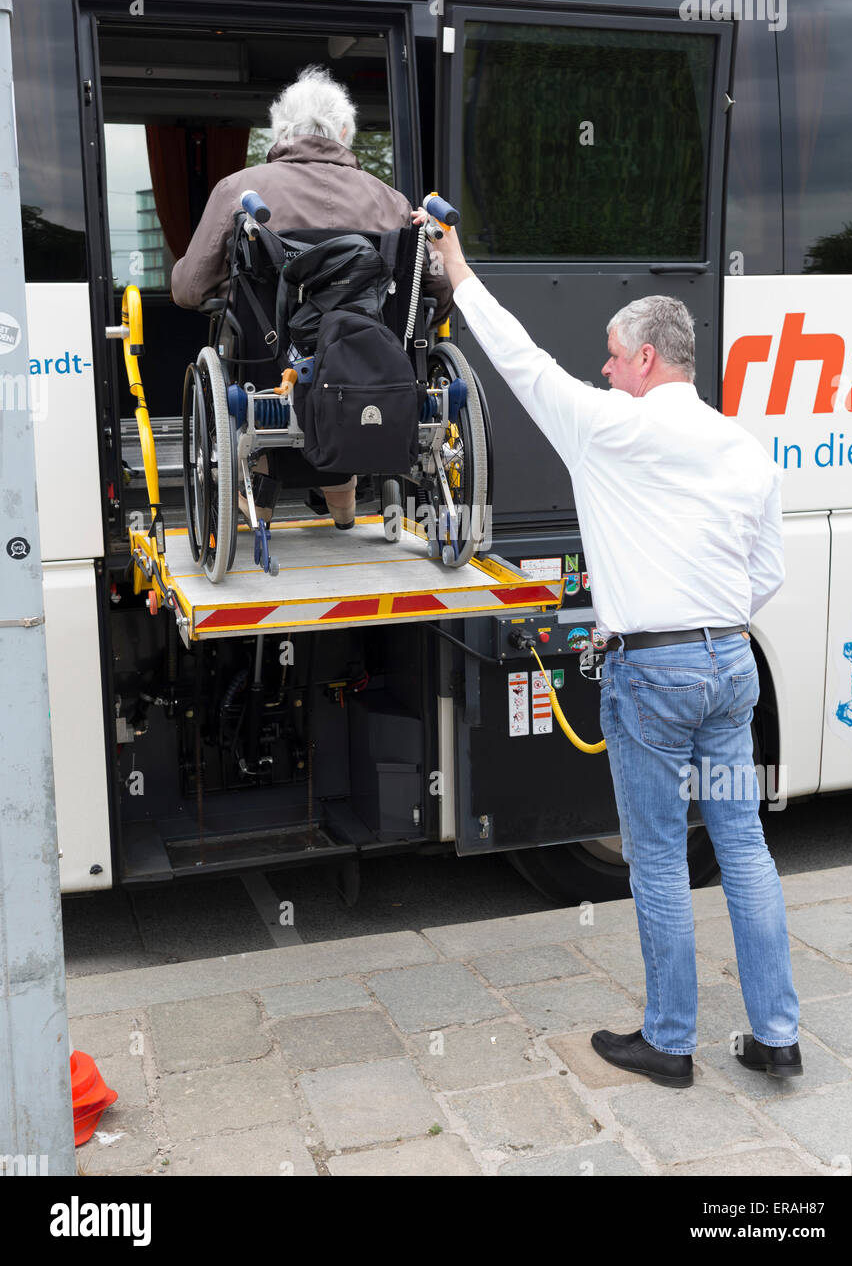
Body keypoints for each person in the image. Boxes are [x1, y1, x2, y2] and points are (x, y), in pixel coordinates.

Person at [417, 210, 801, 1090]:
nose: (599, 368)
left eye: (610, 355)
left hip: (654, 677)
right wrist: (701, 619)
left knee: (659, 856)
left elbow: (516, 360)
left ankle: (668, 1043)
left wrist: (457, 265)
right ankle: (775, 1034)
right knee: (742, 845)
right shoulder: (743, 451)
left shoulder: (606, 427)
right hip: (730, 670)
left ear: (646, 361)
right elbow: (766, 572)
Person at [171, 65, 452, 528]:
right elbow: (434, 294)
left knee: (259, 345)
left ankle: (259, 491)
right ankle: (341, 492)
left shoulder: (241, 191)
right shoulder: (394, 202)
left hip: (272, 374)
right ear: (345, 132)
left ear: (280, 131)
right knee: (344, 349)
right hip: (368, 370)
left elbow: (189, 290)